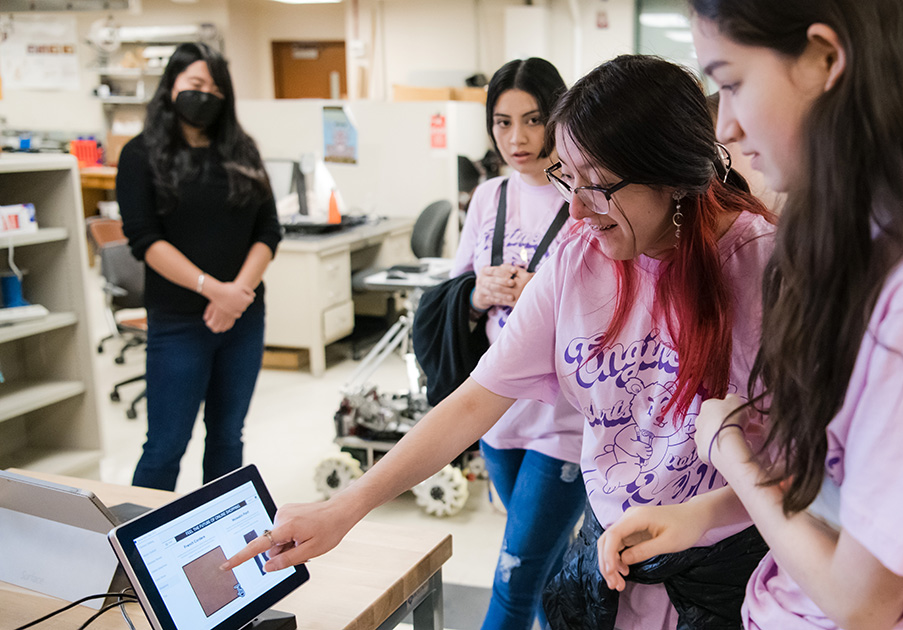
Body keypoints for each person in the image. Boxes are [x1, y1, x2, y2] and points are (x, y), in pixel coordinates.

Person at [224, 55, 775, 629]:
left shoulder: (765, 268)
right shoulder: (579, 259)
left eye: (597, 185)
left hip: (728, 568)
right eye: (567, 179)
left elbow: (807, 464)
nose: (575, 209)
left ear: (672, 174)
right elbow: (474, 400)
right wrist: (346, 507)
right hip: (615, 554)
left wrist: (701, 518)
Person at [597, 2, 903, 630]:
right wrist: (702, 515)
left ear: (824, 58)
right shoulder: (859, 237)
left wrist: (730, 453)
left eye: (732, 83)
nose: (726, 127)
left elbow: (864, 600)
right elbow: (843, 483)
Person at [449, 57, 587, 630]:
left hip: (564, 420)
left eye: (532, 120)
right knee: (545, 573)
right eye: (502, 123)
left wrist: (545, 294)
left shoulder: (585, 193)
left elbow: (615, 306)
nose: (517, 138)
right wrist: (478, 293)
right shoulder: (489, 196)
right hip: (496, 414)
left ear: (557, 117)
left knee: (514, 577)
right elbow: (455, 290)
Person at [118, 42, 281, 491]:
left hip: (243, 317)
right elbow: (145, 240)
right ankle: (138, 536)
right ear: (171, 85)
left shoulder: (242, 151)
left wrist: (238, 294)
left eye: (216, 88)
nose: (205, 95)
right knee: (166, 445)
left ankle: (224, 528)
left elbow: (269, 230)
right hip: (179, 320)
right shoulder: (140, 154)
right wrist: (214, 290)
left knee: (228, 437)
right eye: (195, 83)